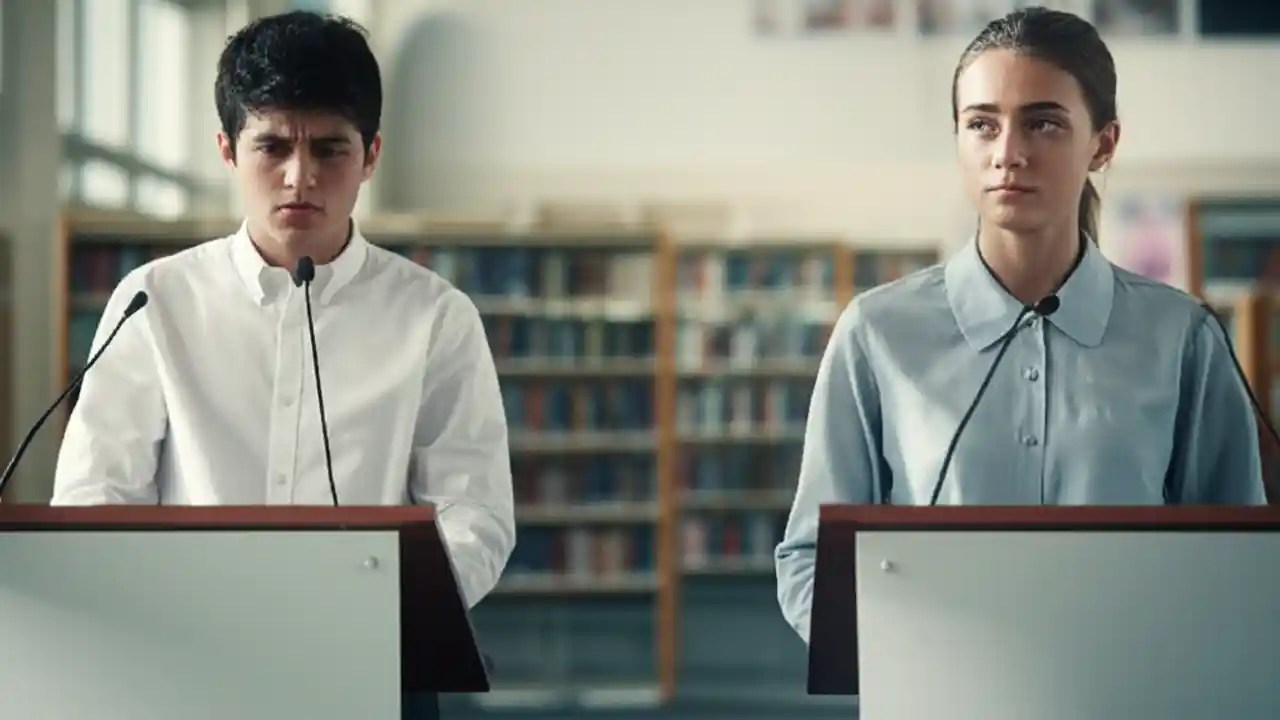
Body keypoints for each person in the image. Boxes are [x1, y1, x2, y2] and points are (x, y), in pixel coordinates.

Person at [774, 6, 1267, 643]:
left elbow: (1238, 568)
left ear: (1103, 143)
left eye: (1043, 124)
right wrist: (906, 653)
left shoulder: (1184, 336)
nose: (1008, 153)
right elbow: (809, 562)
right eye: (982, 124)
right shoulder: (876, 333)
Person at [51, 11, 515, 611]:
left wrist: (380, 606)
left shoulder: (436, 316)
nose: (300, 177)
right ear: (228, 151)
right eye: (271, 146)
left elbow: (473, 512)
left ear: (370, 155)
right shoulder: (153, 300)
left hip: (371, 642)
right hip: (186, 641)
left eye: (329, 149)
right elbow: (95, 496)